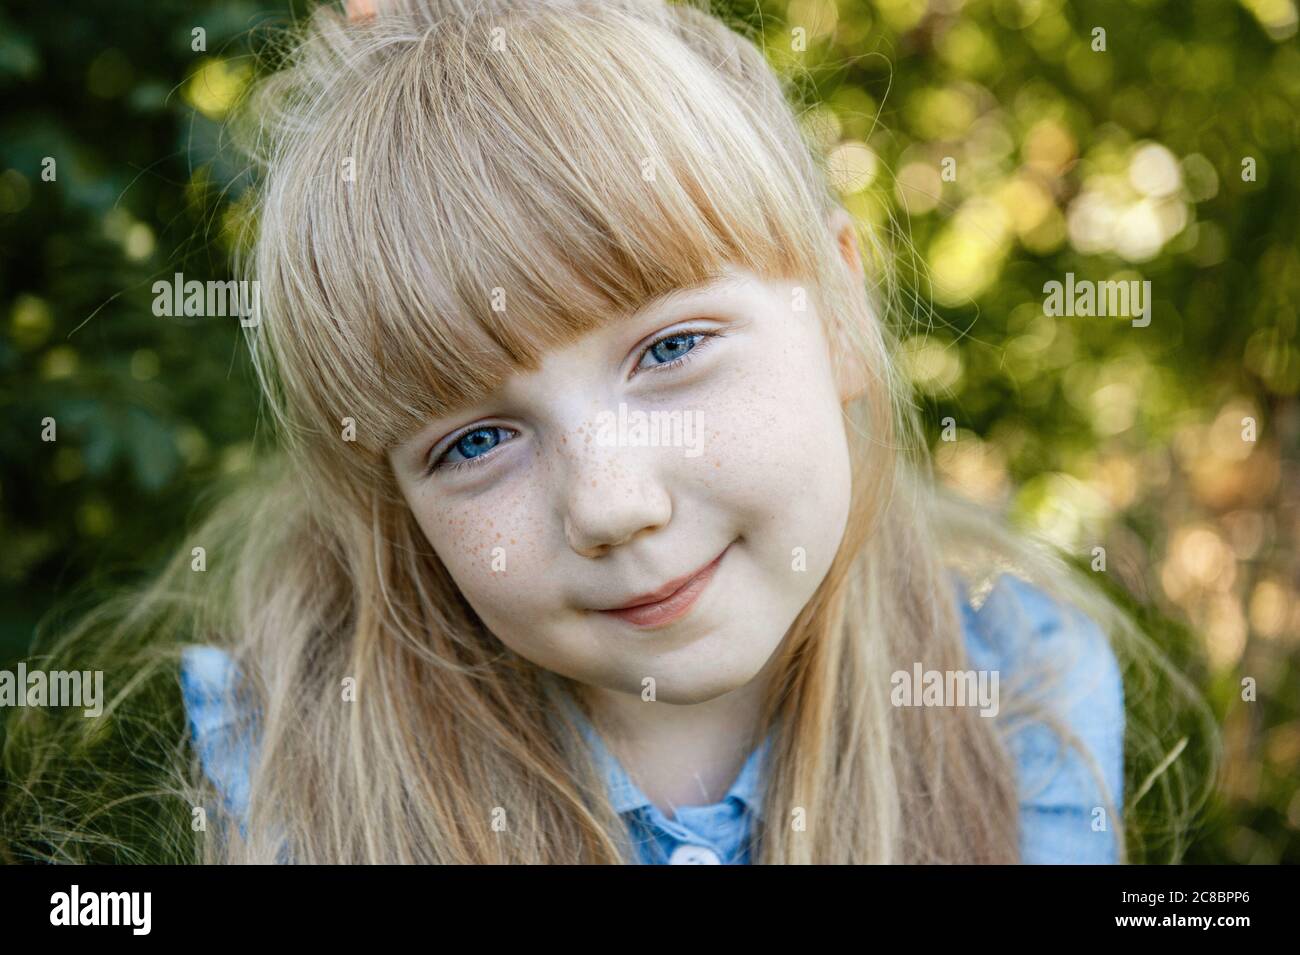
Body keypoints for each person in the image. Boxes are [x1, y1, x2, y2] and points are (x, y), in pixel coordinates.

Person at [3, 0, 1215, 864]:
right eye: (473, 442)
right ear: (398, 503)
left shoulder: (1018, 696)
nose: (609, 503)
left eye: (670, 350)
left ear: (842, 316)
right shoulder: (299, 755)